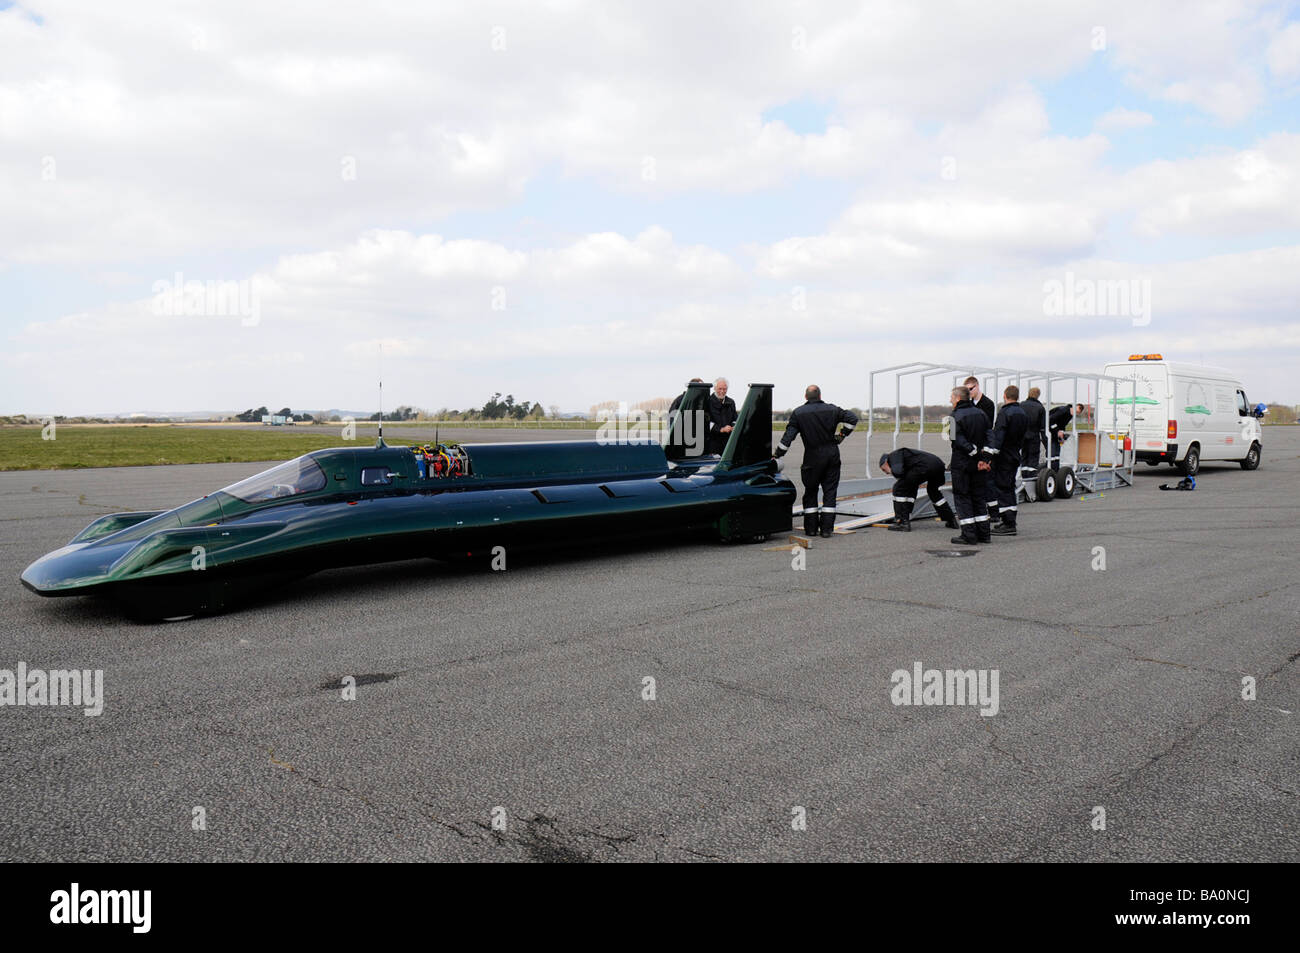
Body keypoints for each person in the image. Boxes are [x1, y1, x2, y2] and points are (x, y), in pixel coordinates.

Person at [774, 385, 858, 538]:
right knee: (830, 492)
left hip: (812, 457)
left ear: (806, 397)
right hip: (832, 454)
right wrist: (841, 435)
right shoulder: (832, 409)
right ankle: (826, 530)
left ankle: (811, 529)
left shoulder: (798, 413)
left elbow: (788, 437)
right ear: (820, 396)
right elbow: (853, 418)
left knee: (811, 492)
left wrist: (778, 454)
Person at [948, 385, 993, 545]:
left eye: (951, 397)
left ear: (958, 398)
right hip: (980, 464)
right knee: (979, 496)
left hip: (962, 463)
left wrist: (974, 453)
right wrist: (985, 457)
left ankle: (969, 535)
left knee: (962, 497)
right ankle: (984, 533)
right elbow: (990, 435)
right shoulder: (981, 413)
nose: (950, 400)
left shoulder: (953, 417)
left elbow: (956, 440)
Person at [879, 448, 958, 532]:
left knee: (898, 488)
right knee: (933, 491)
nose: (886, 473)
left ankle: (902, 522)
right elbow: (909, 481)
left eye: (884, 469)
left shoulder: (894, 456)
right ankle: (951, 520)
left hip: (924, 467)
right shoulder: (906, 457)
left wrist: (890, 470)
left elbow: (898, 472)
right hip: (938, 465)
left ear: (885, 462)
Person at [987, 385, 1028, 536]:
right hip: (1015, 454)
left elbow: (999, 436)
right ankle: (1008, 521)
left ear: (1005, 395)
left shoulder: (1005, 413)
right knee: (1009, 487)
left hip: (1003, 456)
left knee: (1003, 488)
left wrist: (990, 455)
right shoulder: (1022, 413)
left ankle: (1009, 523)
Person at [705, 378, 737, 455]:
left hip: (728, 443)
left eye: (725, 389)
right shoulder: (707, 402)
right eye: (720, 389)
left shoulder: (731, 402)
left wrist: (732, 426)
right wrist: (721, 429)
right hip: (713, 443)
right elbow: (705, 422)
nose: (722, 391)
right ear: (715, 388)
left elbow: (735, 419)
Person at [1047, 402, 1084, 468]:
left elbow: (1063, 424)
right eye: (1076, 411)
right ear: (1073, 407)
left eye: (1078, 413)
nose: (1076, 414)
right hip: (1047, 429)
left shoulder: (1070, 415)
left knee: (1057, 449)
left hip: (1054, 431)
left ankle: (1056, 467)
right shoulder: (1063, 410)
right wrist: (1057, 431)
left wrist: (1062, 432)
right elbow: (1050, 420)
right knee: (1051, 449)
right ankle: (1049, 466)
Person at [1020, 386, 1046, 473]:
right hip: (1034, 436)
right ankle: (1031, 478)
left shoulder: (1021, 405)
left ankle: (1023, 476)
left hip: (1022, 436)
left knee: (1024, 456)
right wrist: (1045, 442)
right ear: (1038, 395)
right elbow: (1043, 427)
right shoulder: (1040, 407)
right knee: (1033, 457)